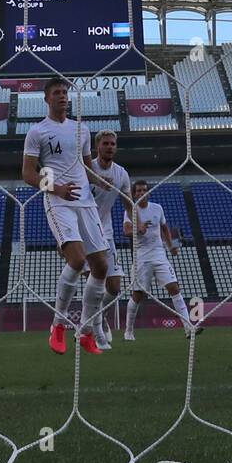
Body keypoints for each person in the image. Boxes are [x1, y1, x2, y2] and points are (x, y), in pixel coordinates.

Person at [22, 77, 110, 356]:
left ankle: (85, 332)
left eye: (65, 92)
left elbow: (86, 168)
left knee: (101, 267)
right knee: (77, 259)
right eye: (56, 93)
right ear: (46, 98)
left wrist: (100, 180)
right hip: (58, 202)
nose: (62, 96)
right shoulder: (37, 131)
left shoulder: (81, 129)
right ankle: (58, 324)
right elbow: (27, 173)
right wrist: (56, 188)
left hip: (86, 202)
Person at [123, 180, 201, 339]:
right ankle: (129, 330)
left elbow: (164, 227)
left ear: (149, 192)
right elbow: (126, 230)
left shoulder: (157, 208)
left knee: (174, 287)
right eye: (138, 191)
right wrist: (139, 229)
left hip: (159, 254)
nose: (141, 193)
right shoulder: (131, 210)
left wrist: (171, 245)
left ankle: (188, 327)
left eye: (144, 190)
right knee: (137, 295)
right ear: (134, 193)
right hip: (142, 256)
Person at [89, 130, 132, 350]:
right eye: (106, 143)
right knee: (95, 285)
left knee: (114, 287)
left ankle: (99, 317)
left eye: (113, 144)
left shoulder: (121, 174)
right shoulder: (87, 168)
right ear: (98, 147)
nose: (110, 147)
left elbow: (128, 203)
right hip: (84, 232)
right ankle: (96, 333)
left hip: (106, 232)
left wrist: (134, 221)